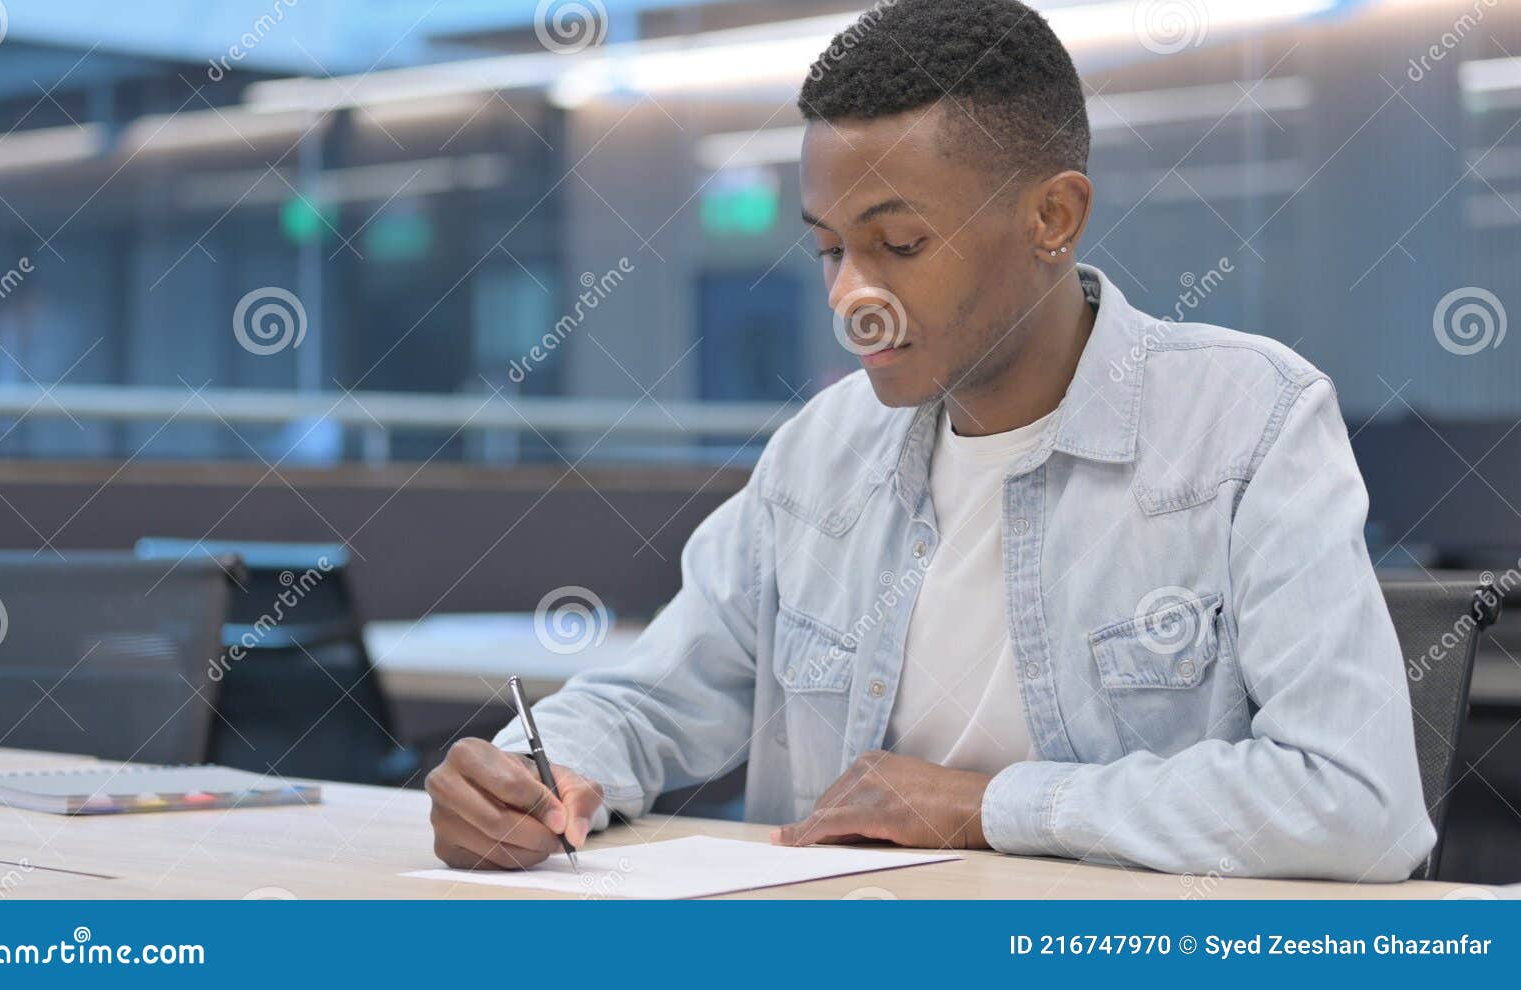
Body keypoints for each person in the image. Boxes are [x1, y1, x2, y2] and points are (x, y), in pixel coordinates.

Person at [426, 0, 1433, 881]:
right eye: (828, 248)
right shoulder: (822, 453)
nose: (849, 297)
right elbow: (651, 704)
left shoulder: (1248, 424)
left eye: (899, 245)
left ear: (1053, 215)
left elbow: (1356, 802)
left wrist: (983, 805)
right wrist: (528, 768)